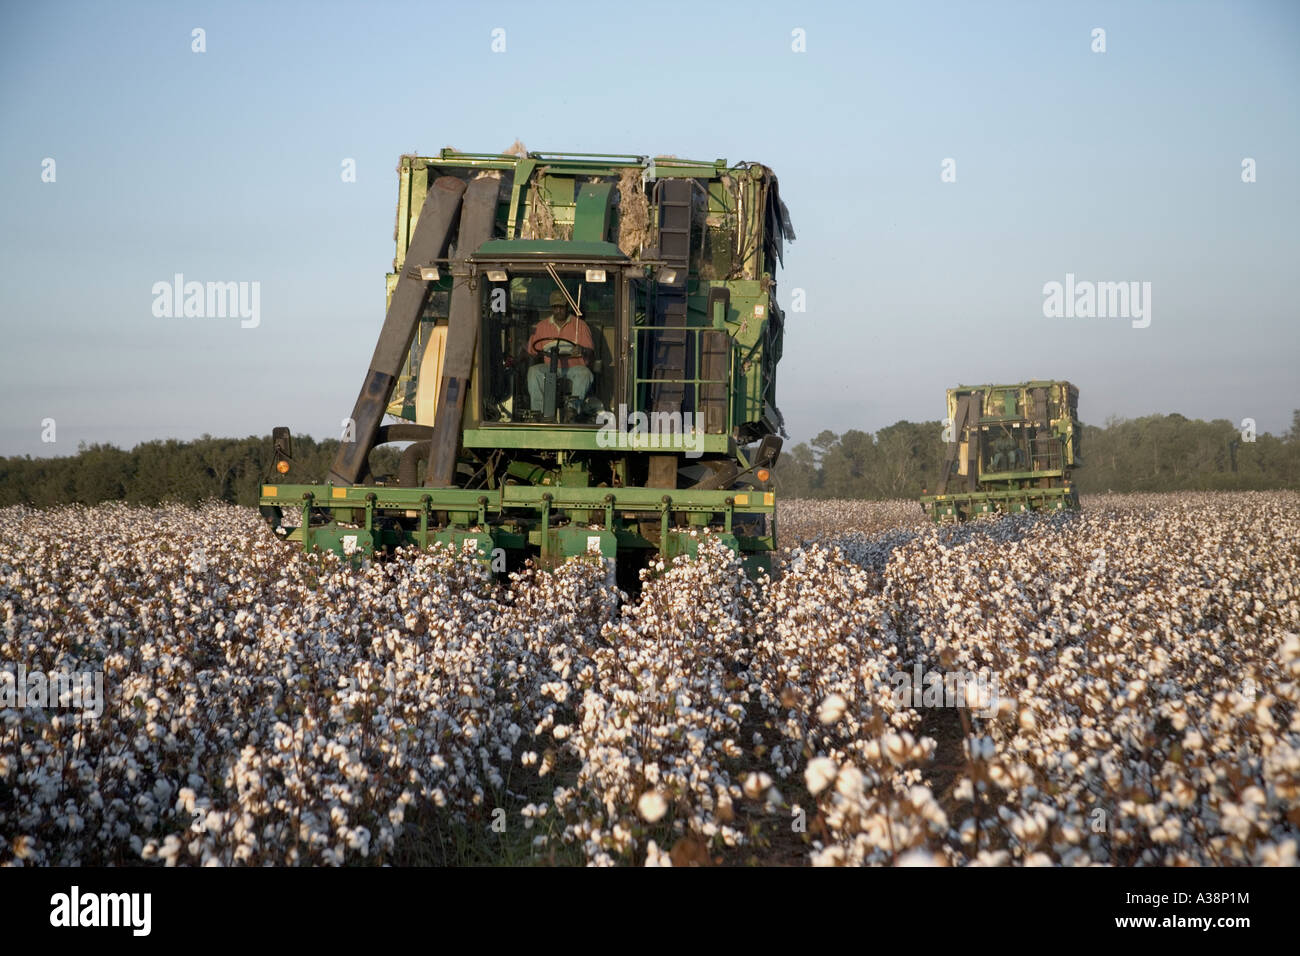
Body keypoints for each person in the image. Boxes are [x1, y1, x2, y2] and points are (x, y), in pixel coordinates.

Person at [527, 291, 595, 414]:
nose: (558, 310)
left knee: (585, 373)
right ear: (551, 308)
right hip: (550, 367)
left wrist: (582, 350)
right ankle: (538, 412)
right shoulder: (542, 326)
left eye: (561, 307)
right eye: (555, 307)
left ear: (567, 307)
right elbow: (532, 351)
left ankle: (572, 410)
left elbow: (590, 352)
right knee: (533, 371)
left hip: (573, 368)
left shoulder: (580, 326)